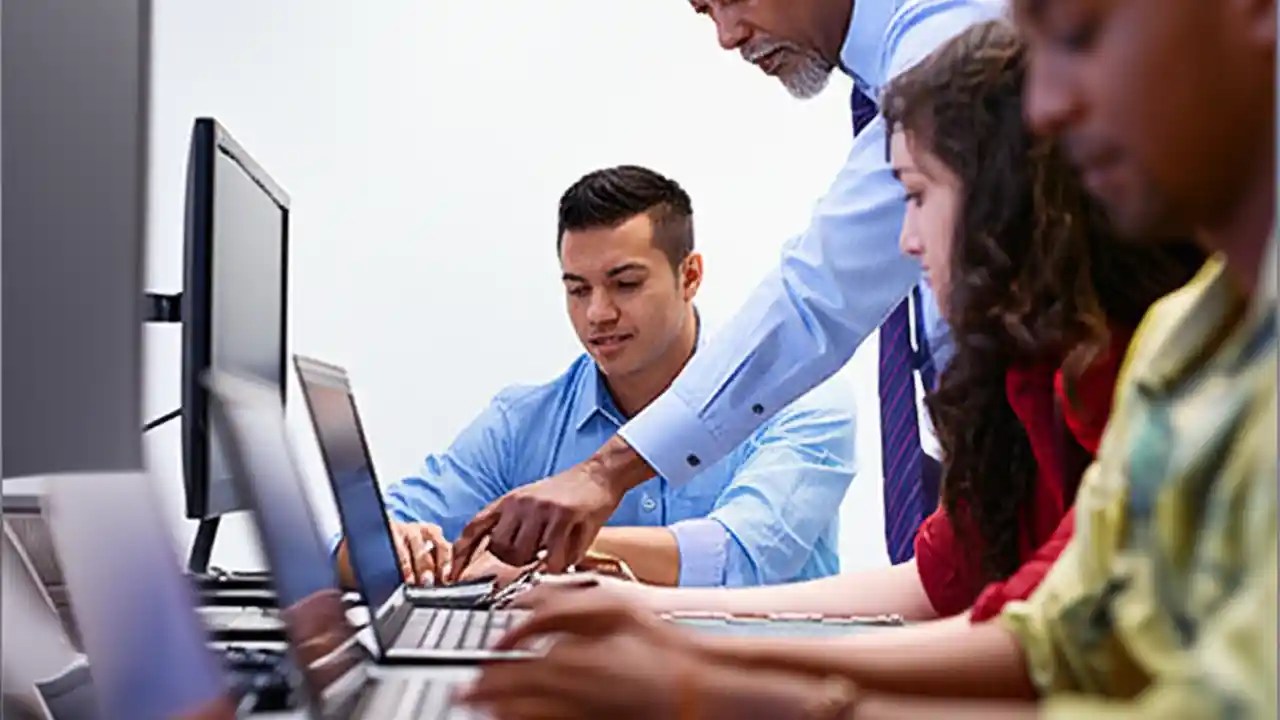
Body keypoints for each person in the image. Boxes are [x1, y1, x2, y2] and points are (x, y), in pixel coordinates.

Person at [461, 3, 1278, 717]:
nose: (1053, 106)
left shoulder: (1120, 371)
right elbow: (1044, 634)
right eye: (577, 289)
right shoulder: (1173, 349)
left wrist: (711, 680)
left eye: (916, 194)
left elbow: (813, 302)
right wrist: (677, 647)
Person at [446, 0, 1012, 579]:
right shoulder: (522, 418)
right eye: (704, 9)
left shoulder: (950, 44)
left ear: (690, 275)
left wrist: (604, 478)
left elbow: (814, 301)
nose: (725, 35)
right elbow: (935, 587)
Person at [335, 165, 857, 590]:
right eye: (577, 289)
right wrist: (390, 545)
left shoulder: (803, 400)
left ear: (690, 276)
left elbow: (743, 560)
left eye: (625, 284)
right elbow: (350, 547)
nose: (597, 314)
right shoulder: (518, 425)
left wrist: (543, 552)